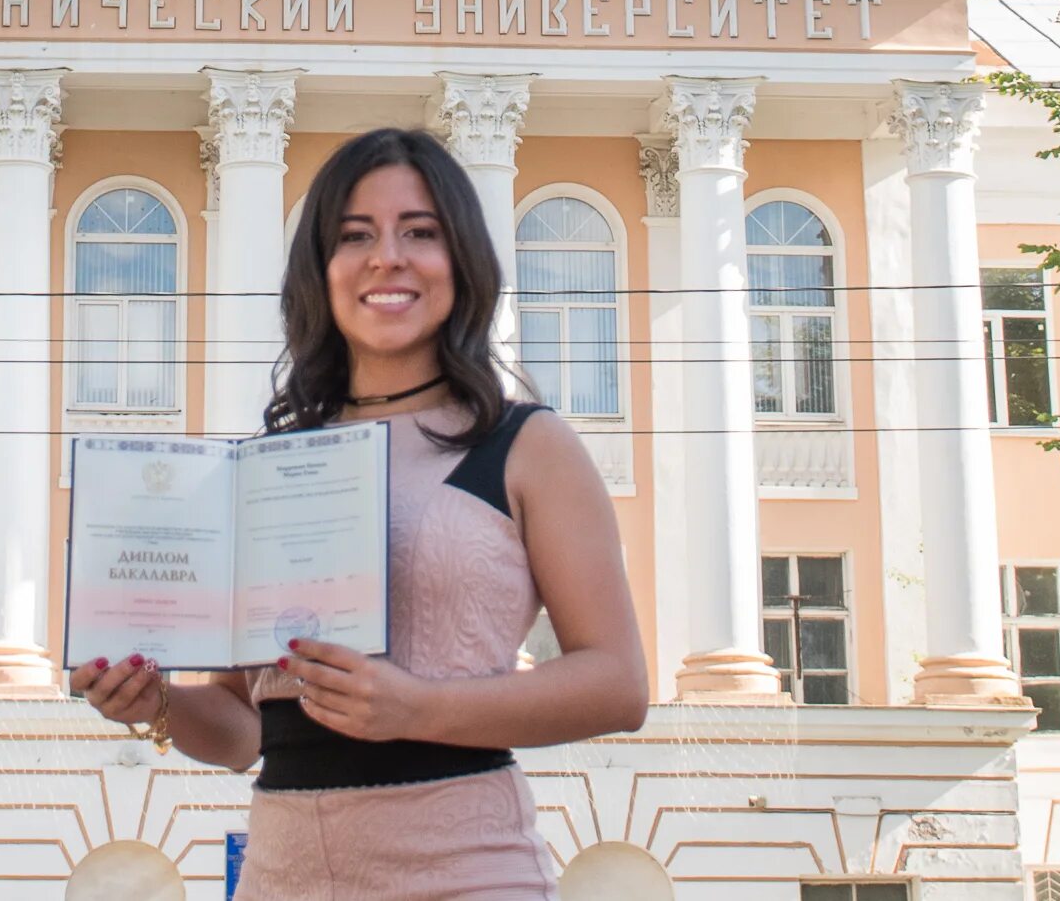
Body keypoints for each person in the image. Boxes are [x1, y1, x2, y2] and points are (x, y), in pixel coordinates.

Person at [71, 127, 649, 900]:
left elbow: (618, 685)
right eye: (355, 236)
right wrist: (160, 703)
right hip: (282, 878)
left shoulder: (527, 444)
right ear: (321, 268)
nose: (387, 257)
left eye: (420, 232)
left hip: (468, 874)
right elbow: (245, 728)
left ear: (462, 261)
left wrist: (420, 706)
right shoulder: (273, 463)